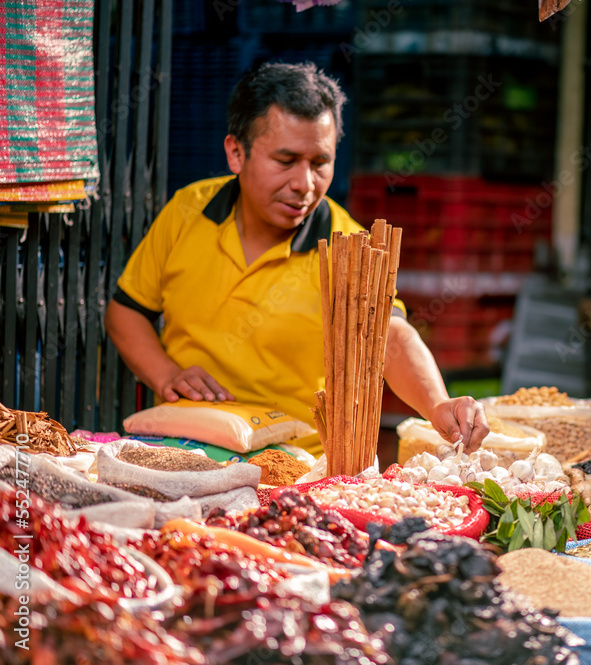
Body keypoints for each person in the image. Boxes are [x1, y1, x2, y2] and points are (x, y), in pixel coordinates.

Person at [105, 61, 489, 455]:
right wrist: (166, 373)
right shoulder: (188, 209)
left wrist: (438, 404)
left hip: (299, 464)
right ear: (236, 153)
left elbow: (389, 339)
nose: (304, 184)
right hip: (180, 446)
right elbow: (126, 310)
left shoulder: (353, 248)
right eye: (286, 161)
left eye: (320, 163)